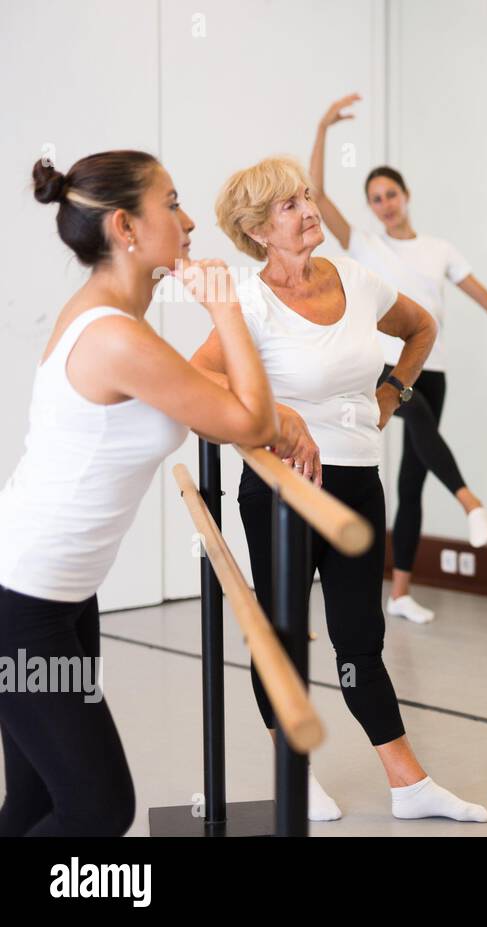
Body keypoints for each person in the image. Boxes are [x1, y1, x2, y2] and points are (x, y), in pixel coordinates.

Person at [193, 155, 487, 824]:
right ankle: (290, 769)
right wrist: (272, 423)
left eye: (307, 198)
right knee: (284, 636)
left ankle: (408, 782)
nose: (309, 211)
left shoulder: (355, 279)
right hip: (281, 490)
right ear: (259, 229)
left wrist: (394, 394)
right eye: (291, 206)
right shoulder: (249, 299)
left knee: (361, 639)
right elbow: (198, 380)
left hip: (359, 481)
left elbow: (421, 328)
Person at [0, 150, 278, 835]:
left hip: (61, 598)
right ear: (125, 226)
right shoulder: (114, 335)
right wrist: (225, 307)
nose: (189, 222)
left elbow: (195, 394)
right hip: (22, 609)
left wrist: (280, 414)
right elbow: (250, 420)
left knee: (37, 802)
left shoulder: (116, 319)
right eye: (173, 203)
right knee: (97, 809)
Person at [311, 94, 487, 623]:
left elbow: (486, 300)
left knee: (412, 482)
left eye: (390, 194)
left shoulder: (439, 248)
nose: (384, 204)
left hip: (431, 369)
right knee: (413, 414)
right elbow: (319, 193)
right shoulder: (363, 243)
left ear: (406, 195)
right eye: (375, 198)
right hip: (383, 366)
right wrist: (325, 127)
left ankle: (400, 594)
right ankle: (472, 504)